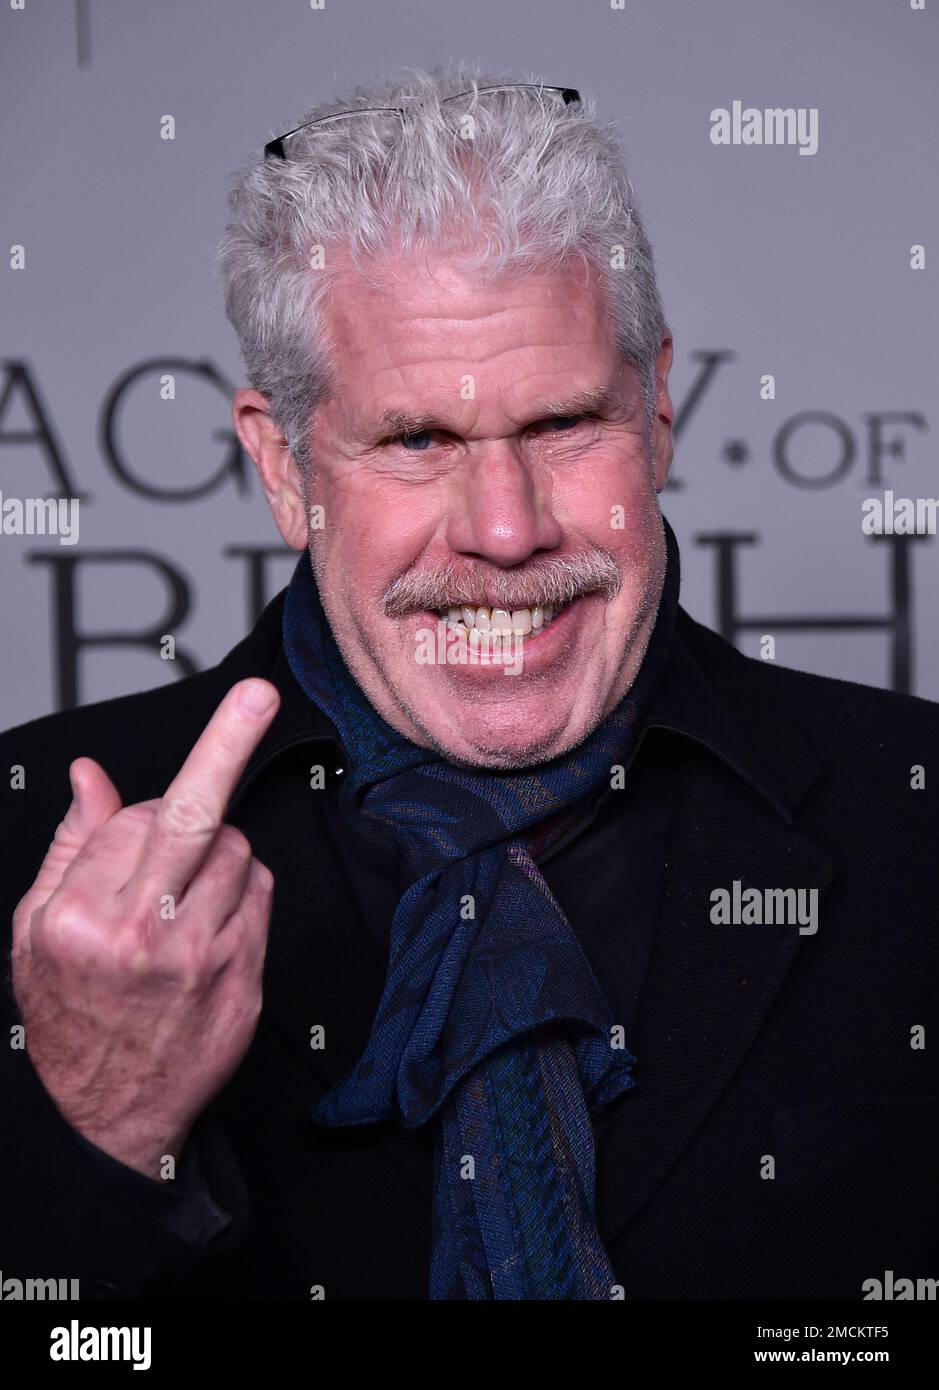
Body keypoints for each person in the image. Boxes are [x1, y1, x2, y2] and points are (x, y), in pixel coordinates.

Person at [1, 65, 936, 1301]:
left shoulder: (916, 818)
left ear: (658, 407)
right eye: (417, 440)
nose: (505, 532)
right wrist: (99, 1127)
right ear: (284, 468)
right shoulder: (30, 846)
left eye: (563, 425)